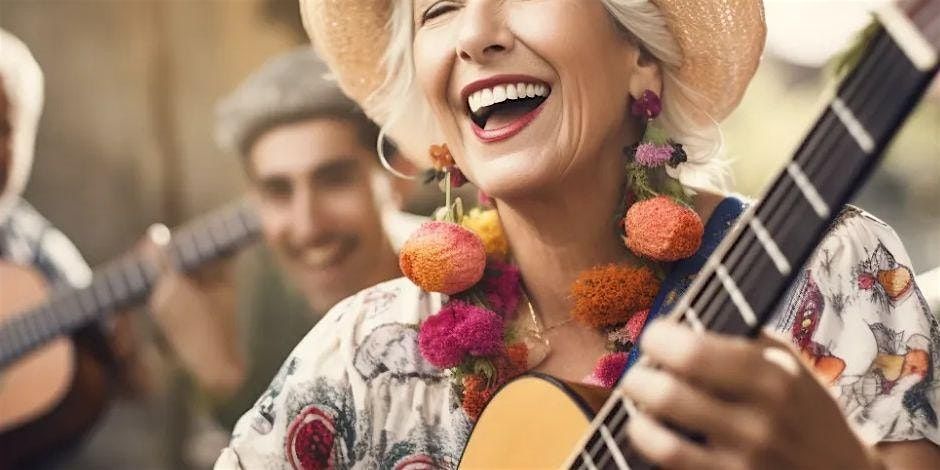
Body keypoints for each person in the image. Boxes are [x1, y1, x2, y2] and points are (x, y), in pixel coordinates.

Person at [216, 1, 940, 468]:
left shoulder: (832, 270)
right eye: (437, 7)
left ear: (640, 54)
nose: (475, 35)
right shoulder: (361, 362)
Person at [148, 47, 424, 427]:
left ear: (400, 175)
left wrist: (224, 379)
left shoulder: (463, 290)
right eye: (278, 191)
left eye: (334, 181)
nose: (307, 226)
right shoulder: (270, 297)